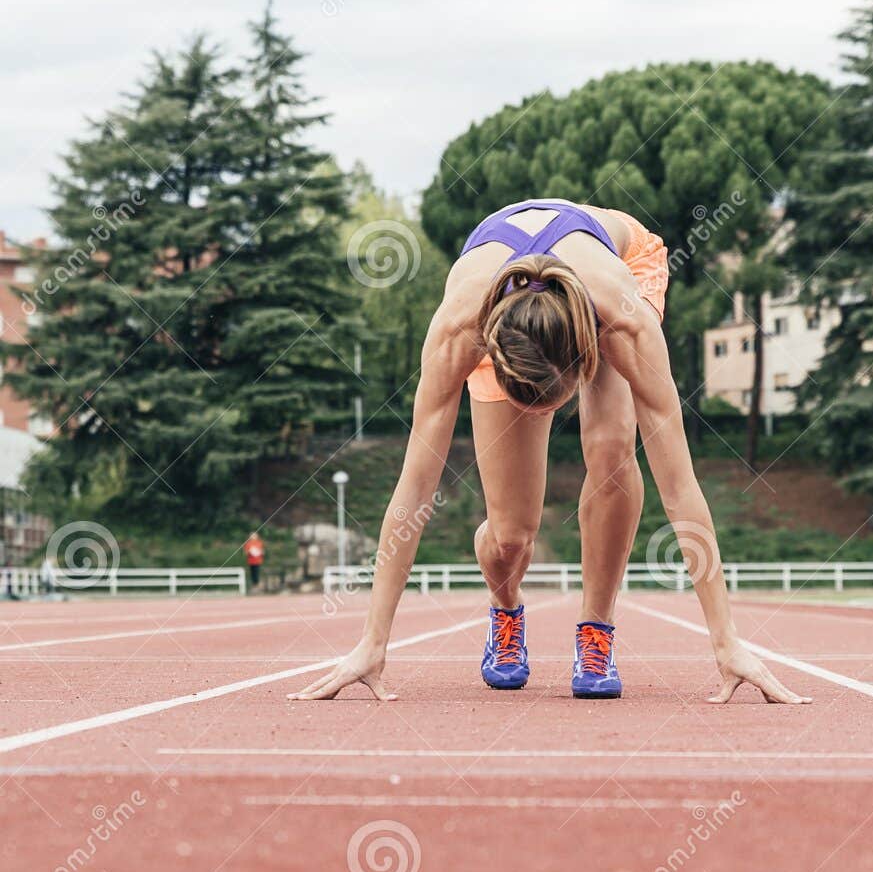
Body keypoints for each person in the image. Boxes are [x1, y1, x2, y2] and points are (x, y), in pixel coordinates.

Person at [290, 198, 810, 706]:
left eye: (549, 405)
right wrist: (371, 643)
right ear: (491, 355)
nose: (541, 418)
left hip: (622, 267)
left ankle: (596, 633)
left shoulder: (625, 326)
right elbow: (416, 486)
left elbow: (679, 486)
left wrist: (728, 642)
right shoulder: (458, 331)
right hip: (509, 302)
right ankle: (506, 607)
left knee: (610, 448)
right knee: (512, 535)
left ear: (588, 357)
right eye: (530, 406)